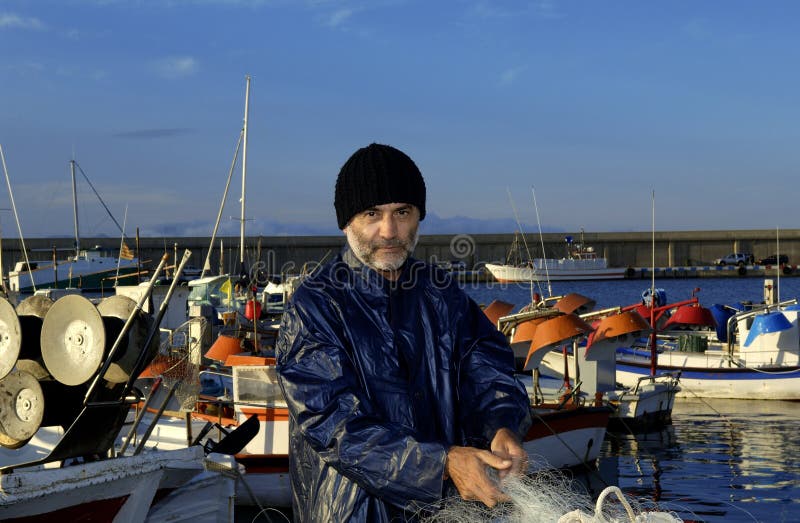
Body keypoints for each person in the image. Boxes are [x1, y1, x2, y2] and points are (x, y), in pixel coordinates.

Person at [275, 143, 532, 521]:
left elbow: (488, 372)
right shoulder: (314, 306)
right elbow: (334, 426)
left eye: (402, 212)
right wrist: (441, 464)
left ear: (418, 216)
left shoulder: (443, 294)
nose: (389, 231)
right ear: (347, 222)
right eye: (371, 214)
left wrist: (502, 425)